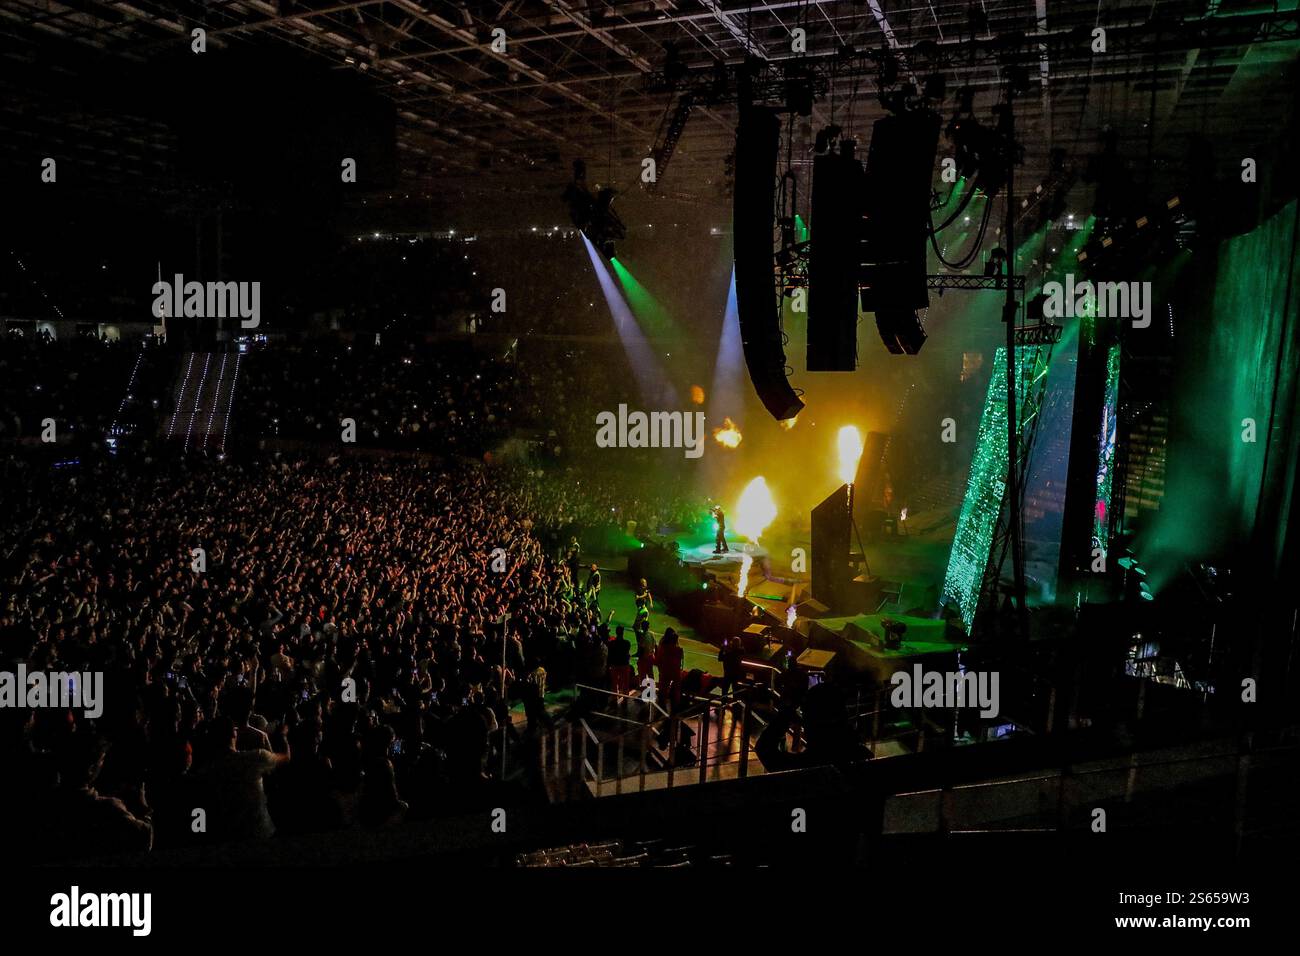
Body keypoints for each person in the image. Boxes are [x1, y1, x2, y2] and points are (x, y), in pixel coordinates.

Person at [655, 627, 684, 710]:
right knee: (677, 689)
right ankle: (675, 705)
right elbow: (680, 662)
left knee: (663, 687)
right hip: (675, 671)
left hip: (665, 670)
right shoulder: (679, 650)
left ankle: (662, 704)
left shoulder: (664, 647)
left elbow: (660, 658)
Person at [607, 625, 633, 694]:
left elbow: (610, 654)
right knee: (625, 682)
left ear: (616, 632)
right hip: (624, 664)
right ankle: (625, 699)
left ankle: (614, 698)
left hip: (615, 664)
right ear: (623, 632)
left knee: (614, 682)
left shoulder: (612, 643)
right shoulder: (627, 643)